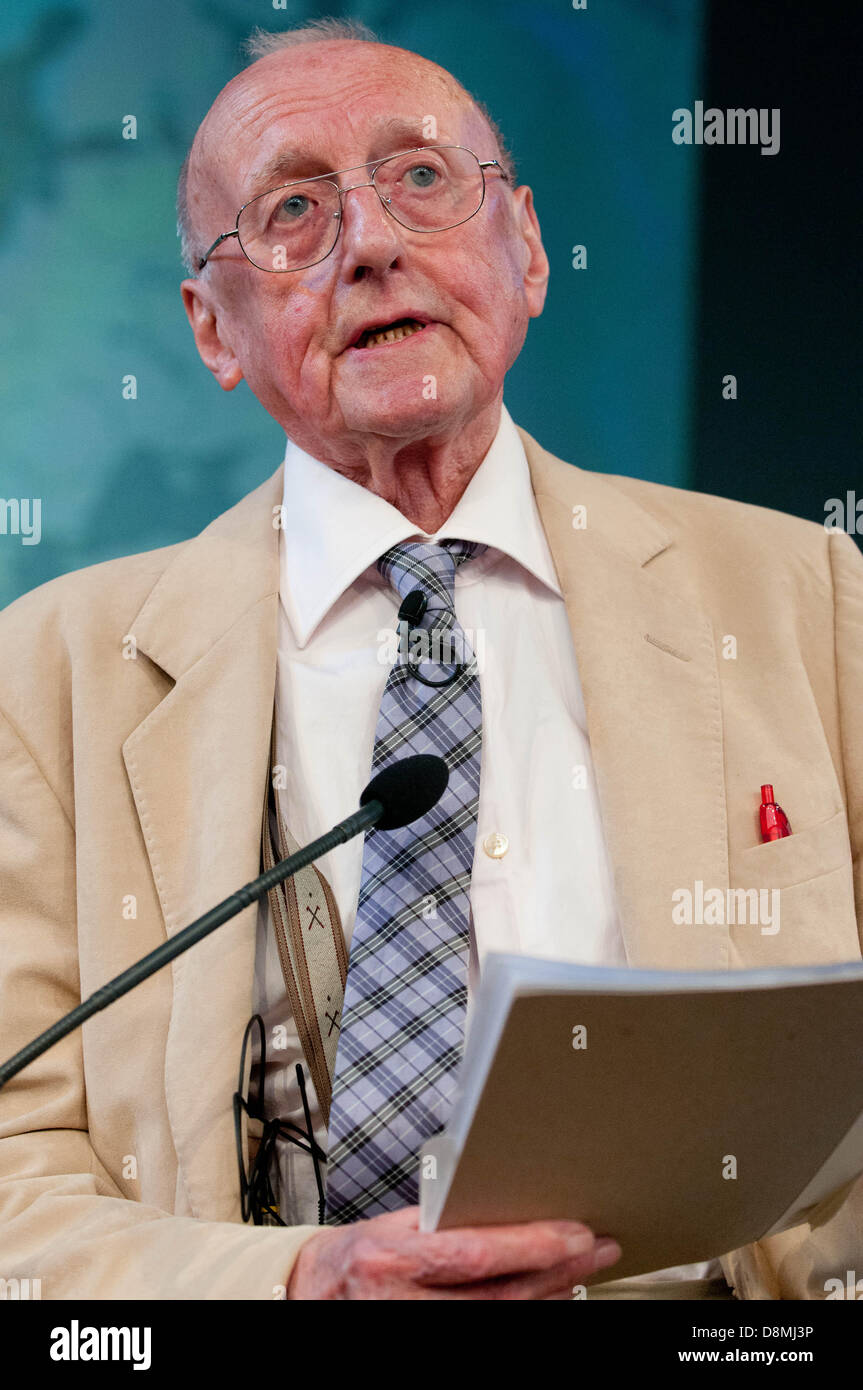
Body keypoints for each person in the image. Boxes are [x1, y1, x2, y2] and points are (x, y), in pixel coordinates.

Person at [0, 20, 860, 1302]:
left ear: (524, 251)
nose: (375, 244)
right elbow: (16, 1168)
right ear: (211, 329)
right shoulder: (52, 672)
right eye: (293, 209)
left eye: (420, 180)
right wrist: (305, 1283)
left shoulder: (808, 600)